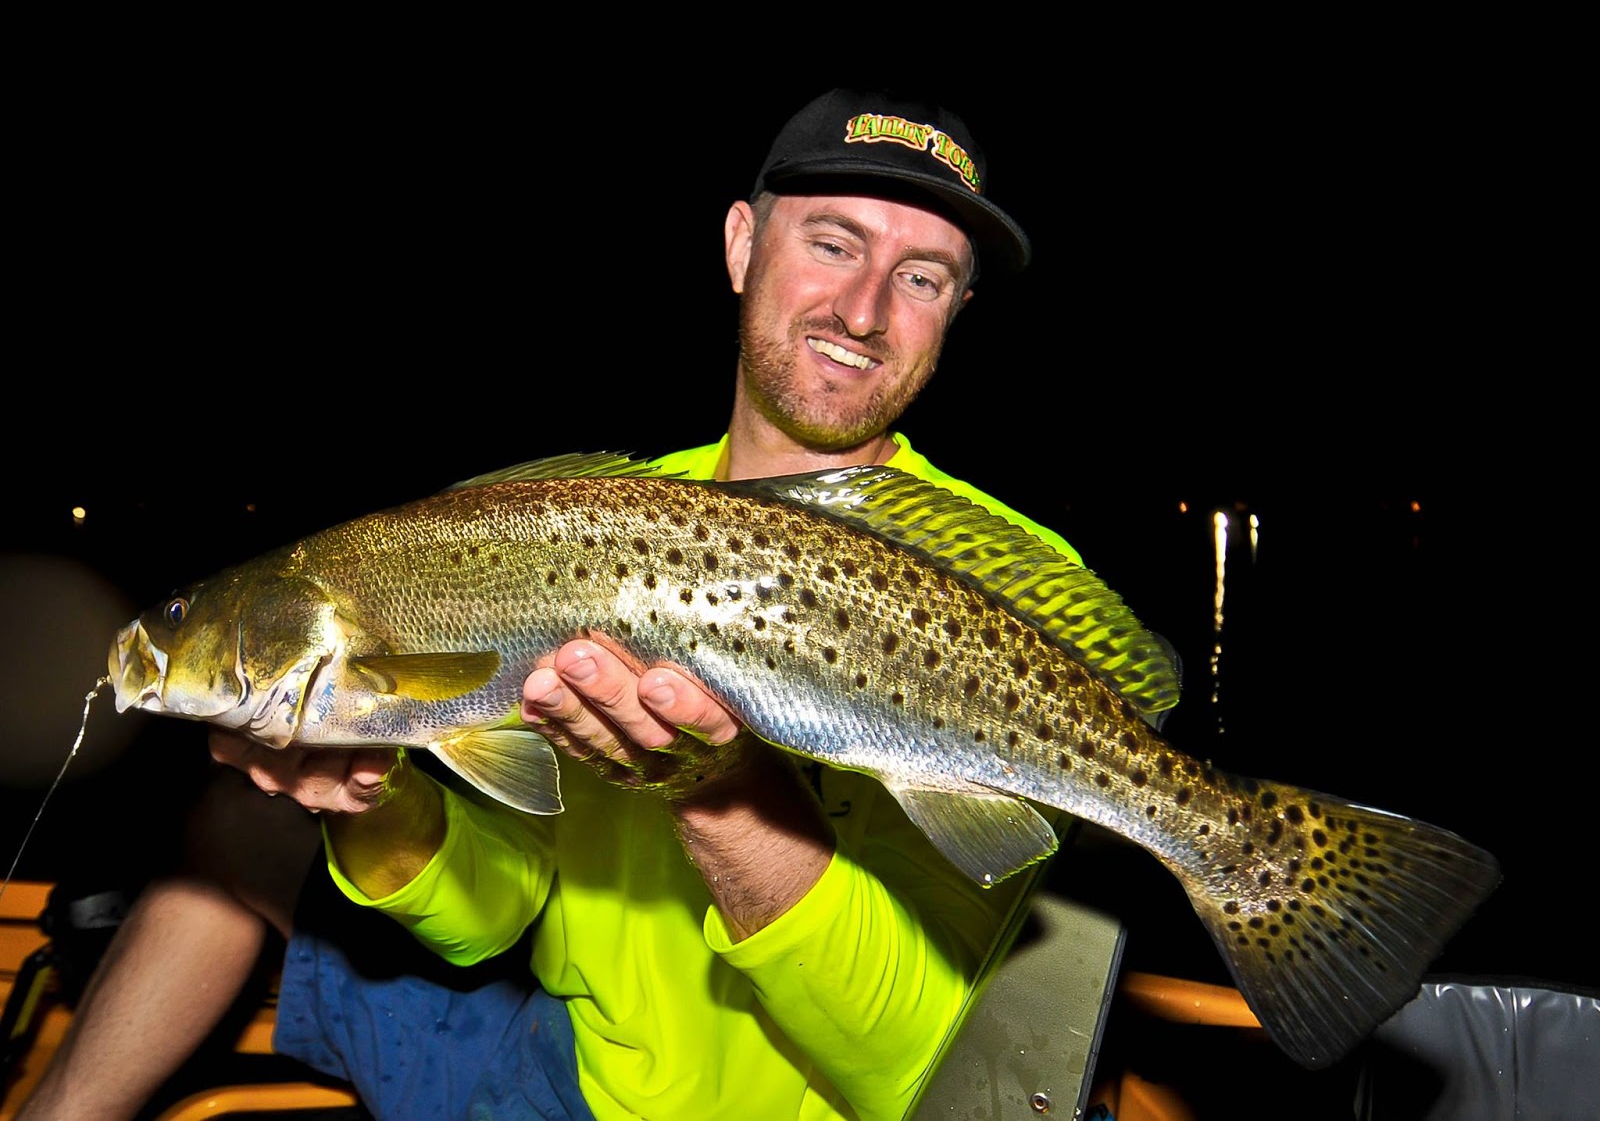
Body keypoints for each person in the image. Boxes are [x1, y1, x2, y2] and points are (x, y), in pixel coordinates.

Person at [20, 87, 1166, 1120]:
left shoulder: (999, 585)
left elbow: (909, 1066)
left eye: (921, 277)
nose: (863, 309)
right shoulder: (603, 506)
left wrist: (715, 793)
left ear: (955, 310)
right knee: (239, 819)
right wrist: (362, 796)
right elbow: (497, 913)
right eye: (832, 242)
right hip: (569, 1068)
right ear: (739, 243)